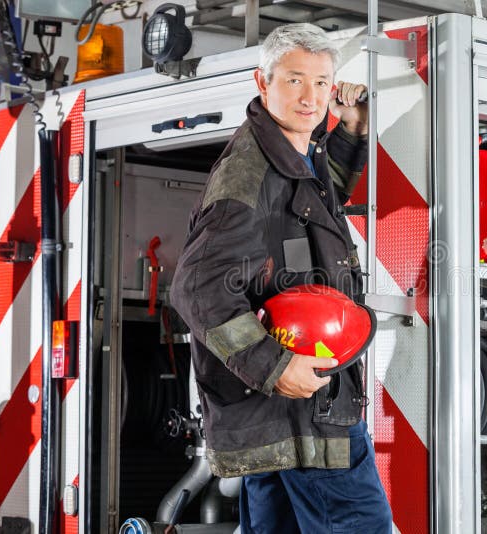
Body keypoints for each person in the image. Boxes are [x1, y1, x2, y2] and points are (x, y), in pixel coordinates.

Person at [169, 23, 393, 534]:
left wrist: (351, 130)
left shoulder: (290, 155)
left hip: (282, 416)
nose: (309, 96)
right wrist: (274, 367)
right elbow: (197, 286)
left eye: (321, 82)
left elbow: (310, 203)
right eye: (294, 80)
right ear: (262, 81)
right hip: (299, 411)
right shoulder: (249, 172)